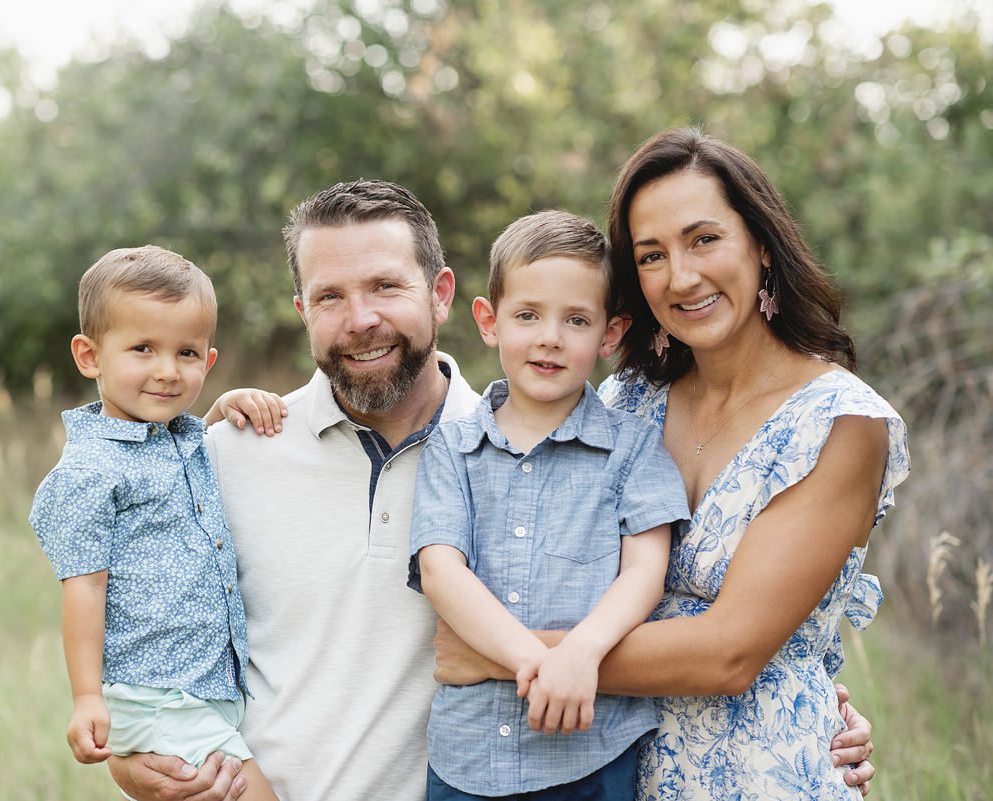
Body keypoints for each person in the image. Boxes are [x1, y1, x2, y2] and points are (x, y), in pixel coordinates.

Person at [106, 180, 879, 801]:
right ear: (302, 309)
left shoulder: (536, 444)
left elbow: (706, 619)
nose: (362, 319)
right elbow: (159, 638)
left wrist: (807, 698)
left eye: (386, 285)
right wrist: (143, 751)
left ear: (442, 293)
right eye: (331, 296)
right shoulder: (230, 452)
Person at [433, 128, 908, 800]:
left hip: (765, 775)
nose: (681, 276)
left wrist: (494, 656)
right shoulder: (627, 400)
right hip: (610, 766)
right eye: (652, 255)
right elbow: (514, 493)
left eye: (704, 239)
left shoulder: (839, 423)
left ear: (762, 246)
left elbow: (730, 653)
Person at [408, 211, 690, 800]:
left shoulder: (633, 446)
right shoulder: (453, 448)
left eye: (577, 320)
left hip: (593, 754)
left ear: (610, 335)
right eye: (528, 315)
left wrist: (582, 654)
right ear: (489, 321)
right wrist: (536, 663)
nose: (550, 337)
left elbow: (645, 570)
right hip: (469, 757)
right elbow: (440, 569)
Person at [29, 245, 279, 800]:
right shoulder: (90, 471)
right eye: (143, 349)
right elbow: (85, 589)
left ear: (208, 361)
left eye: (186, 352)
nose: (167, 371)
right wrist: (87, 699)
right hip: (156, 695)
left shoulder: (180, 436)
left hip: (205, 686)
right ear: (90, 356)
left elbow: (191, 450)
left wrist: (226, 406)